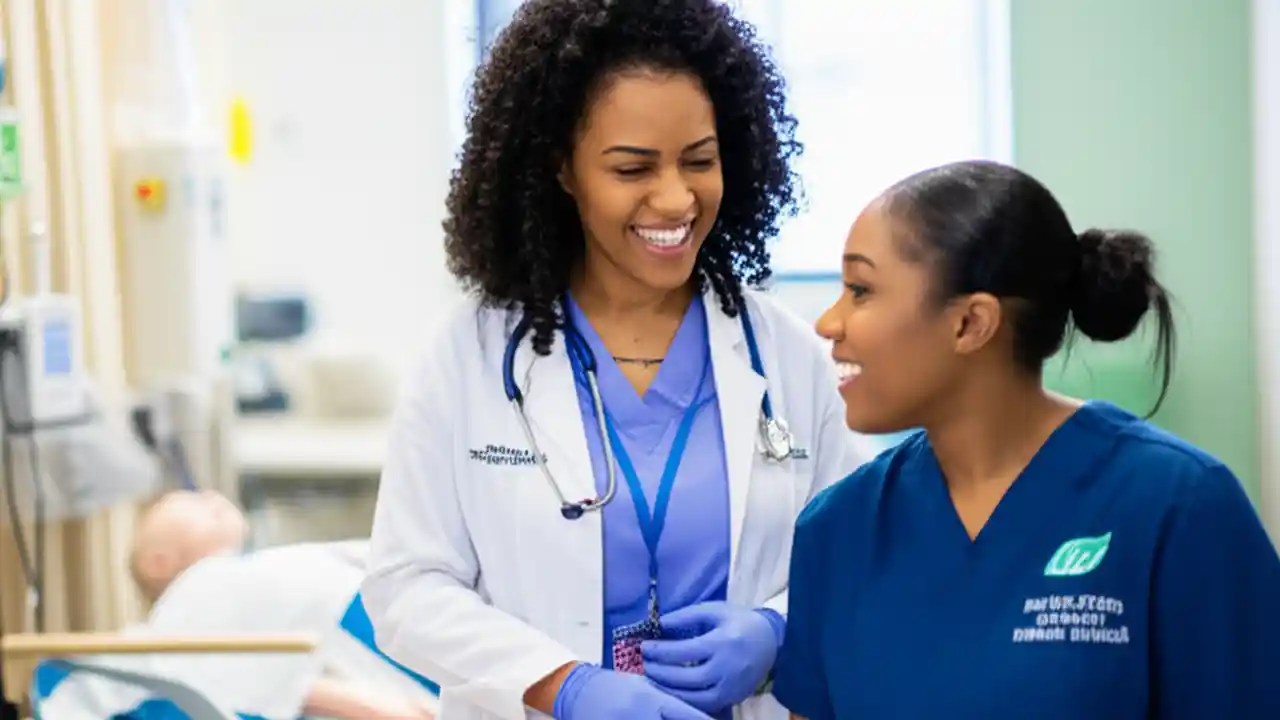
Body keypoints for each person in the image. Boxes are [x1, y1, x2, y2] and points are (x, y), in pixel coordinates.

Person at [359, 1, 865, 718]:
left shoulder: (783, 355)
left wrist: (776, 627)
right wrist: (565, 685)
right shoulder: (469, 356)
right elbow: (406, 587)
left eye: (700, 161)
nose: (675, 198)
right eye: (633, 168)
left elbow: (853, 566)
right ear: (562, 169)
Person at [772, 159, 1280, 719]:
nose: (828, 323)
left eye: (860, 290)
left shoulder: (1177, 506)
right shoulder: (839, 528)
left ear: (971, 324)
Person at [49, 489, 438, 720]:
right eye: (190, 502)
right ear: (159, 561)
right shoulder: (194, 592)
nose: (210, 495)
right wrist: (382, 709)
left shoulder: (251, 571)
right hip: (385, 632)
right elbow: (245, 680)